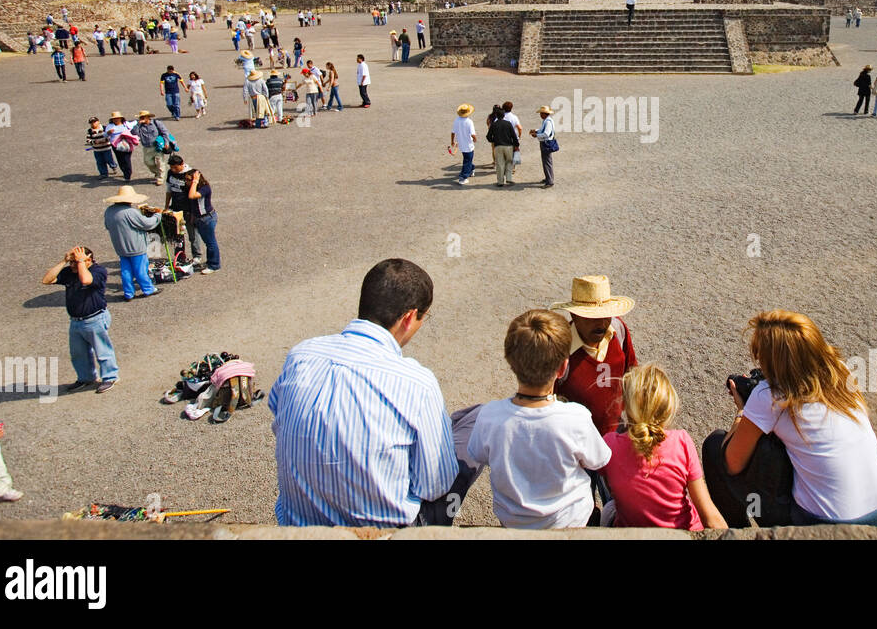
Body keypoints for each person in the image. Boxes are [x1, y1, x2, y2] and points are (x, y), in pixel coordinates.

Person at [269, 258, 474, 527]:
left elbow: (277, 414)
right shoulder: (417, 383)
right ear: (409, 318)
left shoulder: (301, 355)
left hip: (299, 526)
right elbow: (435, 486)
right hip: (386, 531)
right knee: (473, 425)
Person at [703, 310, 877, 527]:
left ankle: (739, 532)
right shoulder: (840, 372)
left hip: (829, 525)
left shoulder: (769, 395)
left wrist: (743, 411)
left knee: (715, 445)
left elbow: (732, 464)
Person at [466, 310, 612, 529]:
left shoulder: (489, 416)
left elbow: (478, 454)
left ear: (511, 363)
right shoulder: (576, 417)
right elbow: (599, 460)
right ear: (563, 367)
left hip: (514, 524)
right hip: (573, 523)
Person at [601, 364, 727, 530]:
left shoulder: (610, 444)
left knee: (608, 508)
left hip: (632, 530)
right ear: (668, 406)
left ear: (625, 404)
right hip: (683, 531)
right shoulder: (681, 441)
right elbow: (709, 517)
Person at [550, 275, 639, 435]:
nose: (601, 323)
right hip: (576, 441)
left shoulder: (619, 331)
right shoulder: (560, 349)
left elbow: (633, 377)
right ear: (574, 316)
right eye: (592, 317)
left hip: (616, 436)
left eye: (606, 315)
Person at [42, 245, 122, 392]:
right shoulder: (69, 271)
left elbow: (86, 280)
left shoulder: (98, 271)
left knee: (103, 351)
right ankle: (86, 378)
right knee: (78, 354)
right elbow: (47, 280)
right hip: (75, 321)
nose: (72, 265)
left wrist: (80, 262)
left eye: (76, 261)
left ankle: (110, 377)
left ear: (88, 260)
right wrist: (63, 261)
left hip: (95, 319)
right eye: (71, 262)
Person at [102, 185, 162, 301]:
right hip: (135, 246)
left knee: (126, 271)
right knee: (140, 269)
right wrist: (157, 215)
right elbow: (147, 224)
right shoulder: (130, 212)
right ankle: (148, 289)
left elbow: (107, 226)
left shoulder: (109, 211)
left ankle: (128, 293)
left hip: (120, 247)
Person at [165, 155, 220, 274]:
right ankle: (208, 262)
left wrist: (194, 181)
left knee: (209, 242)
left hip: (206, 218)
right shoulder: (193, 185)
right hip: (197, 216)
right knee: (204, 241)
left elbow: (191, 196)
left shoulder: (204, 188)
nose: (186, 182)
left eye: (188, 180)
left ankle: (213, 264)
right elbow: (169, 190)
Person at [133, 110, 172, 185]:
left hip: (157, 146)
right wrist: (138, 124)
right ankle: (157, 172)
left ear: (148, 117)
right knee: (148, 162)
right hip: (146, 148)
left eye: (143, 117)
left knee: (160, 162)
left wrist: (166, 142)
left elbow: (165, 132)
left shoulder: (156, 123)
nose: (142, 119)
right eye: (141, 117)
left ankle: (160, 178)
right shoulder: (139, 125)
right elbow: (134, 133)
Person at [486, 103, 519, 186]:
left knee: (500, 164)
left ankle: (500, 182)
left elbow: (488, 136)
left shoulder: (494, 124)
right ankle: (509, 179)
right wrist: (516, 145)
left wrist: (493, 141)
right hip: (508, 146)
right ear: (504, 115)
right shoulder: (508, 124)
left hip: (498, 146)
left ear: (496, 116)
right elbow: (514, 135)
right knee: (509, 162)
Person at [104, 111, 137, 181]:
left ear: (121, 118)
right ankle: (125, 172)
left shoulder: (126, 124)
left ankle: (128, 175)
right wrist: (108, 133)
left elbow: (135, 123)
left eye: (117, 118)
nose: (116, 120)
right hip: (115, 146)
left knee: (126, 159)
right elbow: (104, 135)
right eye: (114, 118)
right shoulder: (110, 126)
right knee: (120, 160)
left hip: (127, 145)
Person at [451, 103, 477, 185]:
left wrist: (452, 141)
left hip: (461, 144)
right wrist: (475, 139)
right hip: (468, 144)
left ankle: (472, 169)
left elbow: (453, 132)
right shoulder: (469, 122)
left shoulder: (456, 120)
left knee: (467, 159)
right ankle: (463, 177)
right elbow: (472, 134)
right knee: (467, 160)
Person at [534, 104, 557, 187]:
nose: (540, 115)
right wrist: (536, 131)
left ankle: (550, 181)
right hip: (546, 143)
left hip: (546, 143)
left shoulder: (547, 122)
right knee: (546, 162)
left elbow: (546, 134)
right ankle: (548, 178)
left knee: (547, 162)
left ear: (545, 114)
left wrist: (536, 135)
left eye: (541, 113)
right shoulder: (547, 120)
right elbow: (542, 130)